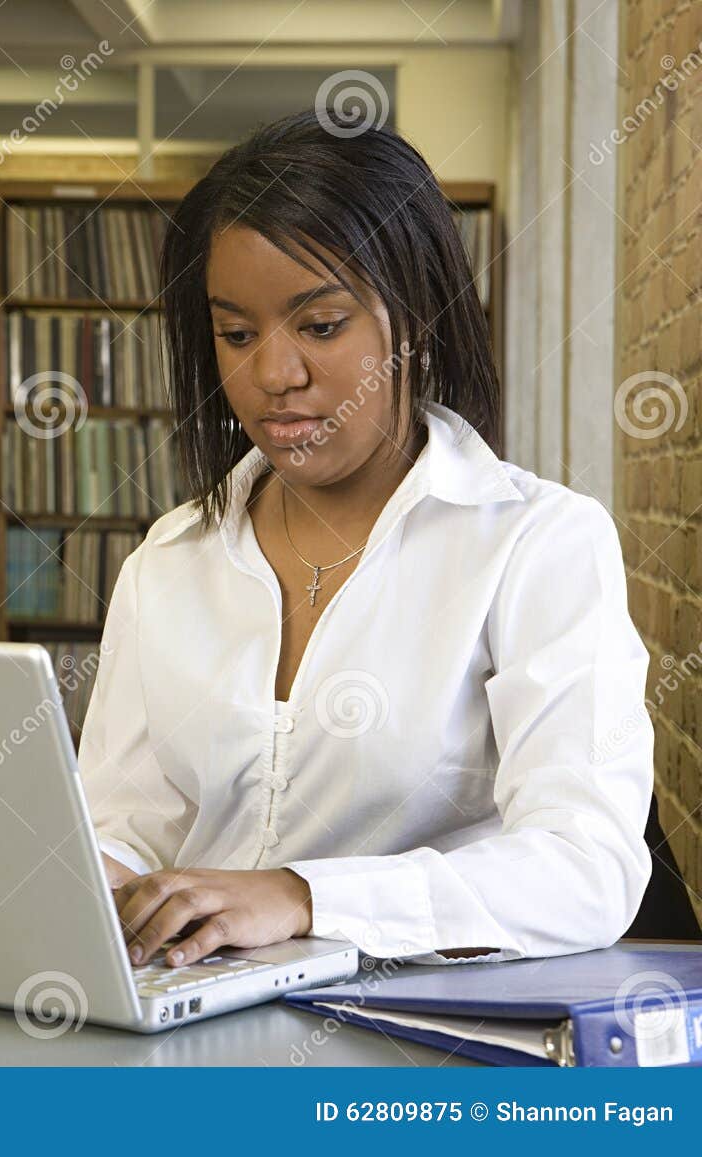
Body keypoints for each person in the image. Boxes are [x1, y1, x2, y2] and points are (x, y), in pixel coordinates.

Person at [81, 108, 653, 970]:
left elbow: (587, 863)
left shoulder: (540, 545)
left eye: (320, 326)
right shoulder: (171, 557)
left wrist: (304, 896)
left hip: (420, 1043)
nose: (274, 375)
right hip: (189, 1031)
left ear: (416, 316)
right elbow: (122, 827)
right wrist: (70, 876)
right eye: (236, 334)